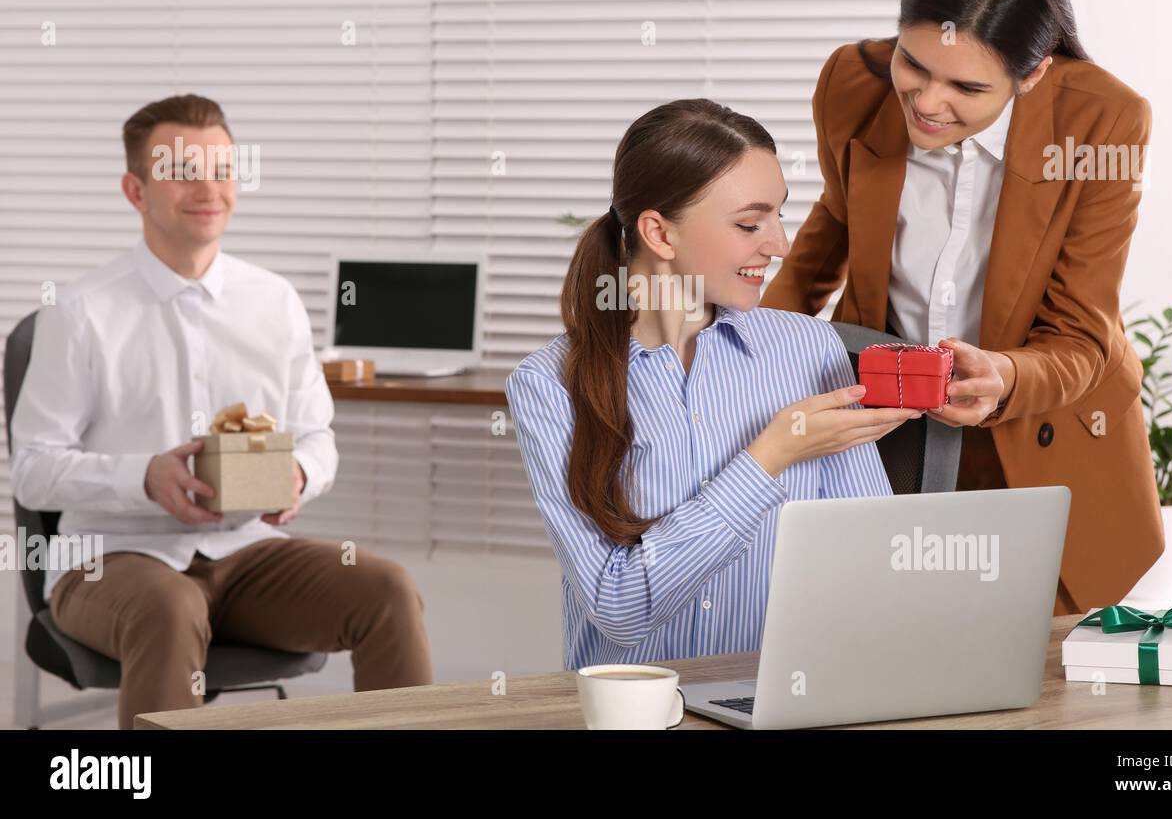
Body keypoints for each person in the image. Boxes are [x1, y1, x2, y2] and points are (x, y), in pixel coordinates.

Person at [762, 0, 1162, 615]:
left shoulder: (1103, 119)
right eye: (913, 64)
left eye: (966, 86)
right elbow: (829, 234)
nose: (926, 102)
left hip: (1042, 437)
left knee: (1038, 691)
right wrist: (748, 354)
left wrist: (1004, 375)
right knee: (870, 650)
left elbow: (1082, 333)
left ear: (1031, 73)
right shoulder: (851, 84)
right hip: (888, 435)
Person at [11, 94, 433, 729]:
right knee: (167, 605)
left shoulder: (274, 302)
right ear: (136, 190)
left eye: (222, 169)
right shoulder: (78, 313)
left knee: (387, 590)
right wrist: (144, 477)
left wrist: (298, 476)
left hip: (246, 550)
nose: (209, 188)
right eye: (182, 171)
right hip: (111, 560)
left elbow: (317, 435)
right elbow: (33, 471)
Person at [506, 99, 913, 671]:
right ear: (659, 233)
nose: (780, 245)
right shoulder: (549, 385)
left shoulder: (810, 350)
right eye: (750, 223)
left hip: (784, 703)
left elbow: (878, 566)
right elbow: (617, 607)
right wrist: (769, 457)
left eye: (778, 216)